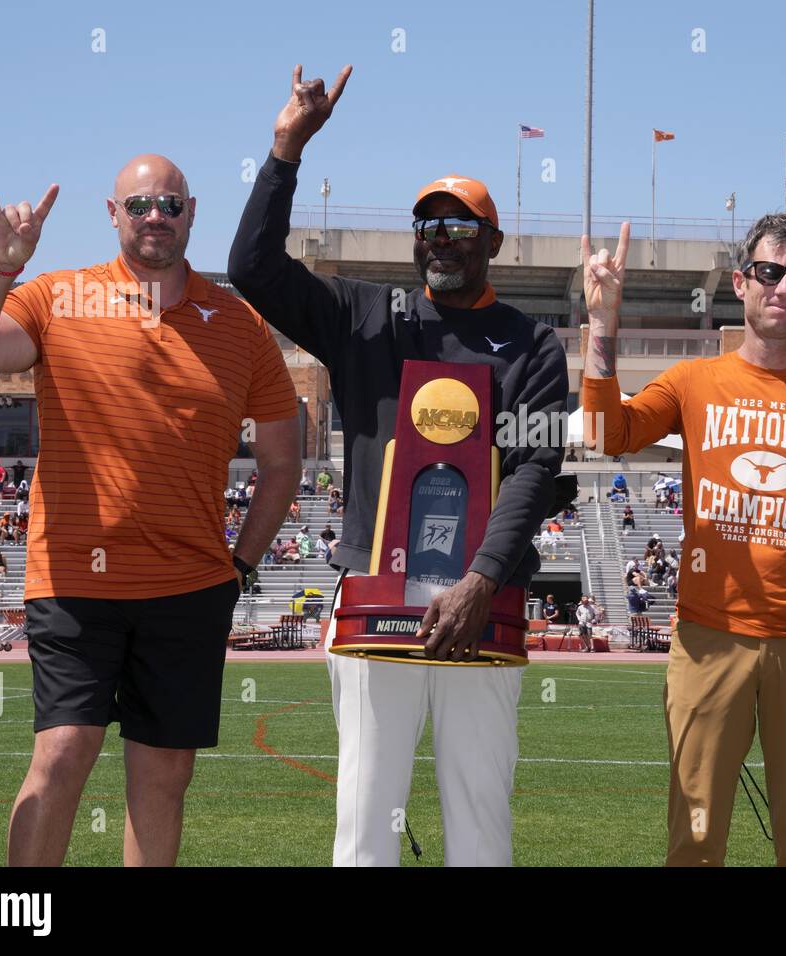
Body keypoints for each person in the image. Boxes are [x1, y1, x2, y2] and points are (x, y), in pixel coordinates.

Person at [228, 64, 567, 868]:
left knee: (480, 818)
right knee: (365, 819)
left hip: (485, 602)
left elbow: (532, 471)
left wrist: (481, 581)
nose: (440, 241)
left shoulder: (532, 344)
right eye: (428, 226)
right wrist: (286, 149)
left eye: (459, 228)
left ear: (493, 243)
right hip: (374, 592)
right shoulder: (366, 318)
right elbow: (252, 269)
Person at [0, 153, 301, 867]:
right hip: (75, 578)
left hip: (191, 587)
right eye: (139, 205)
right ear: (112, 214)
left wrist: (241, 565)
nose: (154, 216)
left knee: (164, 776)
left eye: (169, 203)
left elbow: (283, 462)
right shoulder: (56, 297)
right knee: (64, 752)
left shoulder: (241, 325)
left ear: (191, 212)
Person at [581, 208, 786, 866]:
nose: (784, 287)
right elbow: (607, 436)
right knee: (693, 843)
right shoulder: (694, 383)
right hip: (707, 638)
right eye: (770, 272)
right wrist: (601, 328)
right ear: (741, 282)